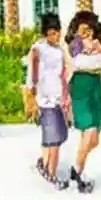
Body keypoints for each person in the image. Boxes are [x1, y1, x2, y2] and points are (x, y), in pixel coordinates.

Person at [68, 12, 101, 194]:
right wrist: (87, 49)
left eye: (90, 29)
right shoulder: (74, 44)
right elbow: (75, 62)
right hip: (81, 89)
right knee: (89, 129)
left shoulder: (97, 45)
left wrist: (98, 52)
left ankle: (79, 169)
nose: (87, 32)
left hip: (95, 90)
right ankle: (76, 171)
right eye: (83, 29)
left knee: (94, 138)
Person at [28, 12, 71, 190]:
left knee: (60, 136)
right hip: (45, 99)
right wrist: (31, 94)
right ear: (45, 33)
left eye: (57, 33)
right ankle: (51, 174)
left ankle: (44, 163)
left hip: (58, 98)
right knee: (53, 139)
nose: (55, 36)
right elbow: (33, 72)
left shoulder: (60, 49)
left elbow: (62, 74)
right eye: (52, 33)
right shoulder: (39, 48)